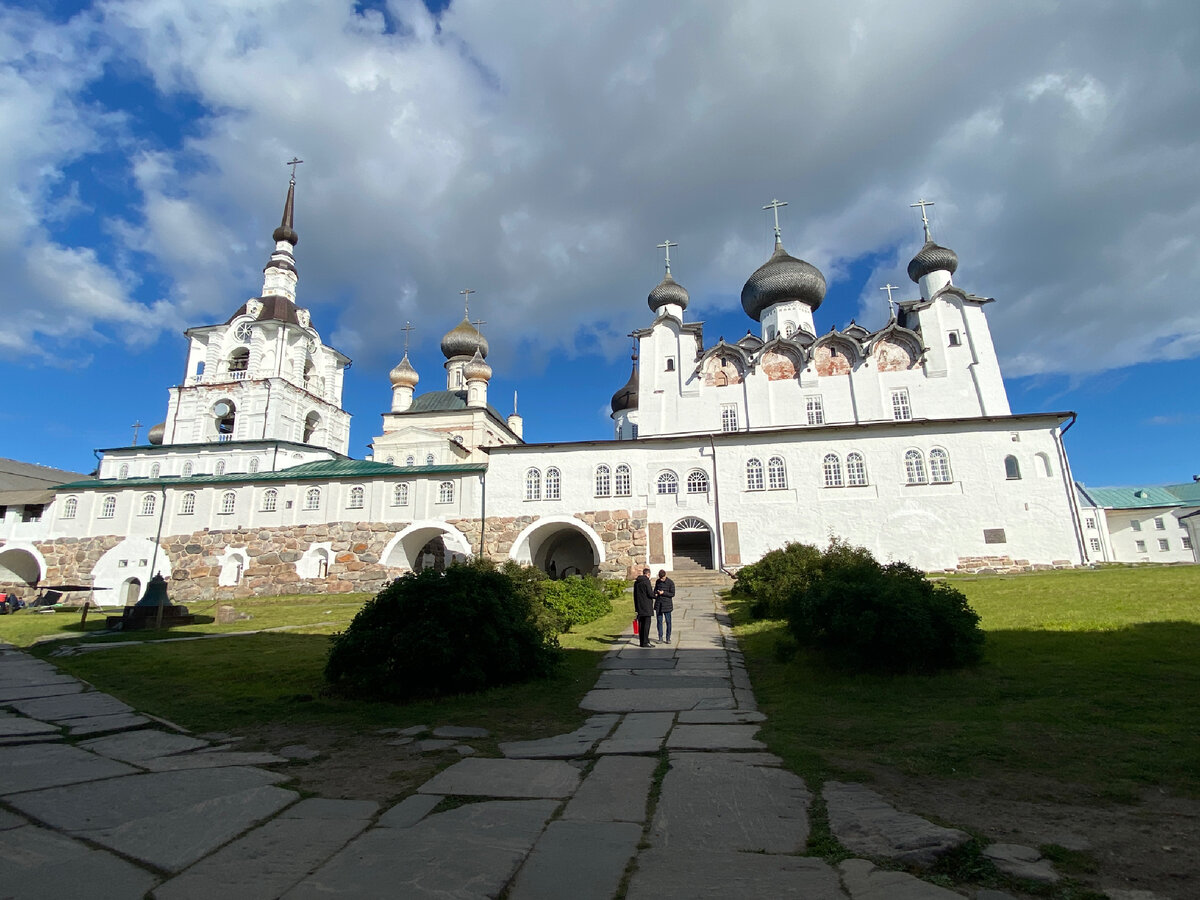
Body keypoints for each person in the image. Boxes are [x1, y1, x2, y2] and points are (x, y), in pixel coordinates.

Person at [633, 567, 655, 648]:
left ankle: (642, 641)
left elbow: (635, 595)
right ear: (648, 574)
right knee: (646, 625)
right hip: (647, 607)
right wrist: (656, 595)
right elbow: (650, 594)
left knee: (641, 625)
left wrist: (636, 607)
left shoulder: (636, 583)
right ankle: (646, 642)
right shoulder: (646, 582)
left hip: (639, 606)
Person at [653, 569, 675, 644]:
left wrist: (664, 593)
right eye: (660, 578)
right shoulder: (658, 581)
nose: (661, 579)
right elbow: (655, 590)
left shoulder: (670, 582)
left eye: (662, 578)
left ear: (665, 576)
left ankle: (668, 638)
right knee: (659, 621)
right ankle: (660, 637)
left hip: (667, 604)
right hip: (659, 604)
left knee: (668, 622)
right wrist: (656, 593)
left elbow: (672, 594)